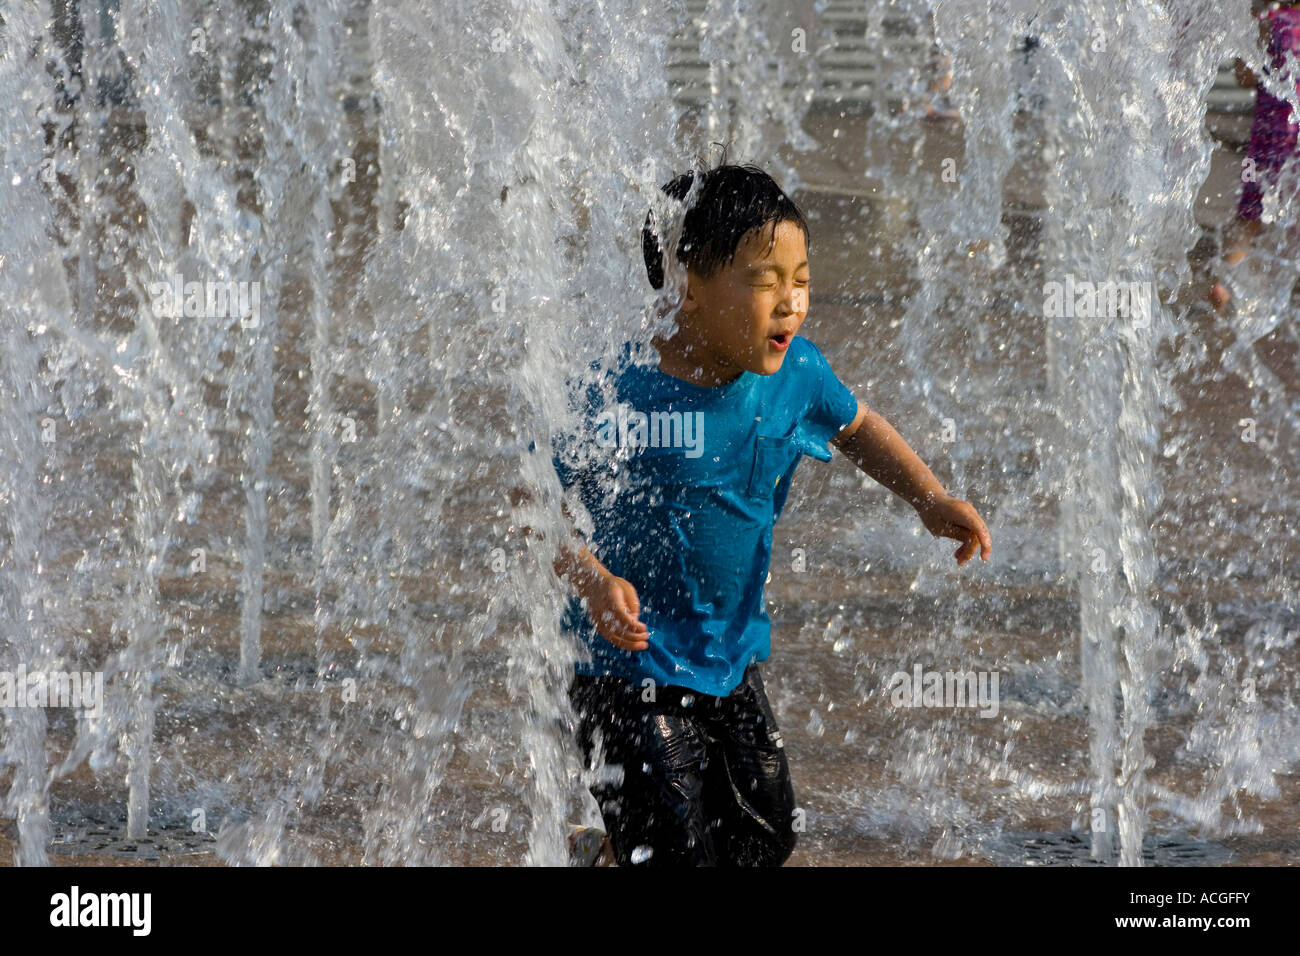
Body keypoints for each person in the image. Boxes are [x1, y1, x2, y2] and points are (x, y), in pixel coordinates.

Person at [550, 163, 992, 867]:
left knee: (765, 835)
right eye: (765, 281)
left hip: (727, 657)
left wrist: (929, 498)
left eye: (802, 279)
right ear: (691, 285)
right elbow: (534, 506)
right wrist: (593, 579)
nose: (791, 302)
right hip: (621, 668)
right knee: (674, 853)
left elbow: (858, 428)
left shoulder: (796, 376)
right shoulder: (624, 390)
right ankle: (623, 851)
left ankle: (603, 854)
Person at [1209, 1, 1300, 311]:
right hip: (1282, 134)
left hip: (1270, 135)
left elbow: (1244, 78)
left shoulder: (1267, 20)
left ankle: (1223, 279)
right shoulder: (1271, 19)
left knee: (1250, 213)